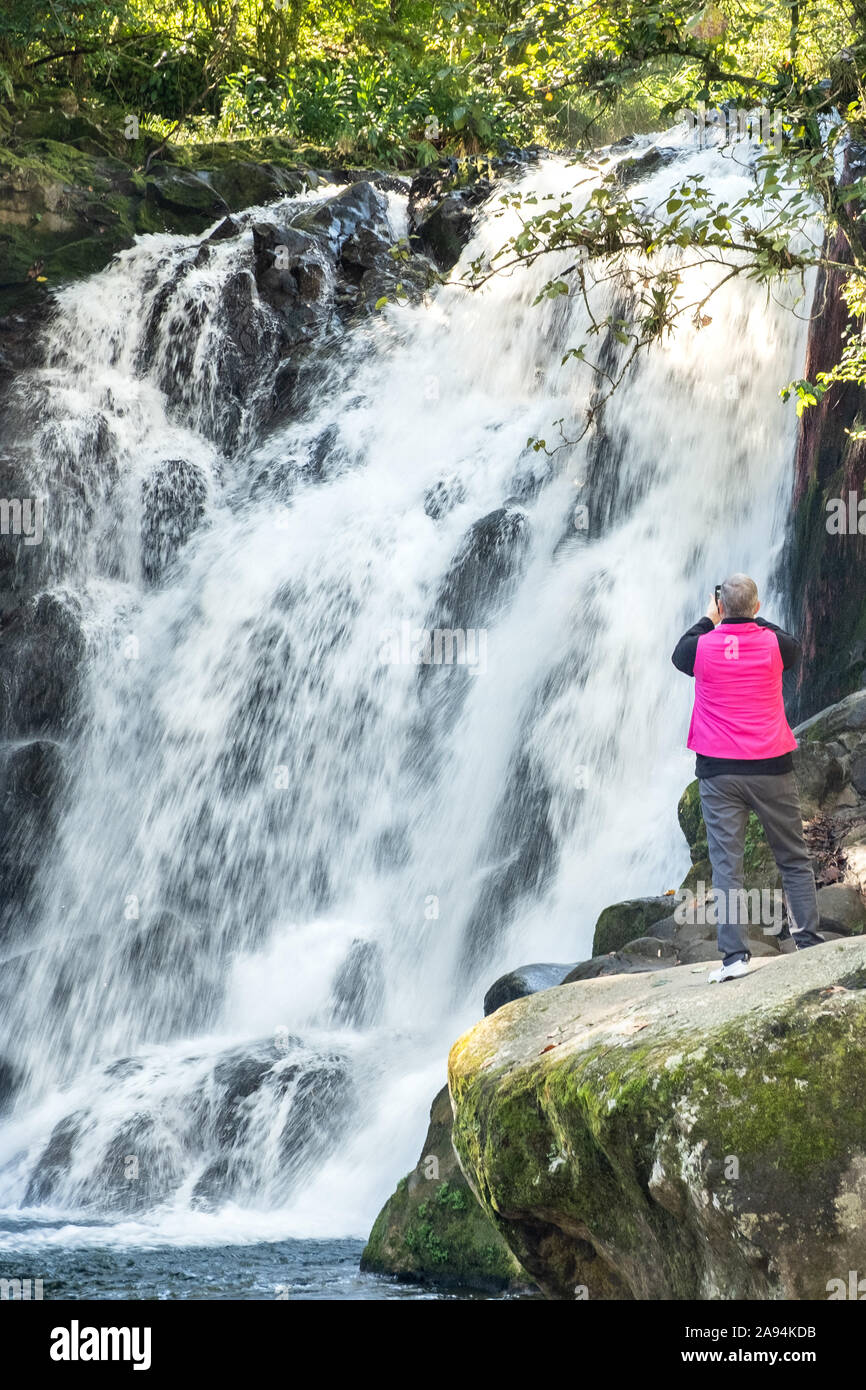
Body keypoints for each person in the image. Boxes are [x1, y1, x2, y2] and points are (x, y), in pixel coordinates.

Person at [671, 573, 824, 982]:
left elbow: (679, 651)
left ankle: (734, 957)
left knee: (727, 867)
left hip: (719, 774)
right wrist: (751, 616)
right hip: (770, 767)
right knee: (792, 857)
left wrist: (712, 618)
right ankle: (807, 940)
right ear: (757, 608)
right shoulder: (775, 644)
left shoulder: (700, 647)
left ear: (720, 607)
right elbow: (788, 639)